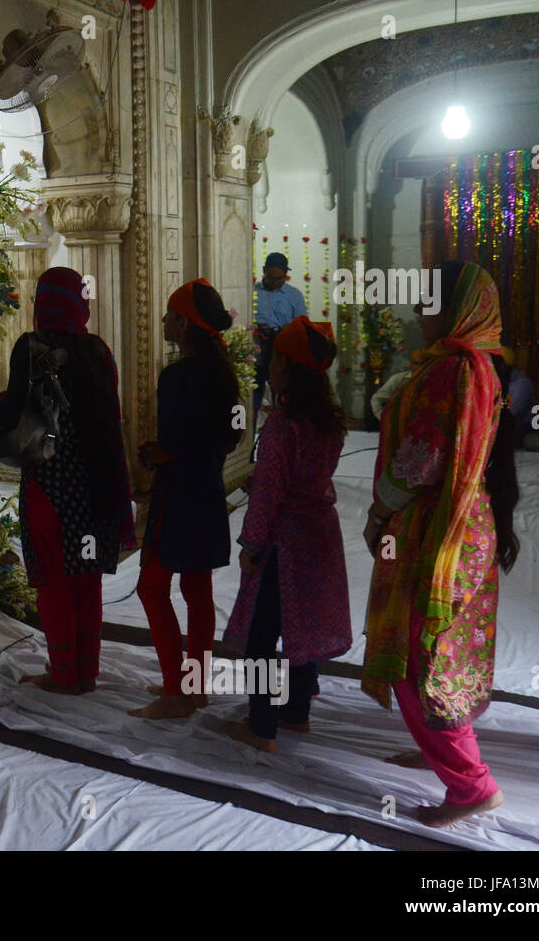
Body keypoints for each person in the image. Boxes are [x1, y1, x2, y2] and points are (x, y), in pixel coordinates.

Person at [362, 260, 518, 828]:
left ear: (456, 309)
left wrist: (380, 508)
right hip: (463, 523)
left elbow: (420, 459)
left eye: (431, 301)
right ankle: (440, 747)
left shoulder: (449, 370)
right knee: (443, 650)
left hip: (435, 529)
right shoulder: (478, 368)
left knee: (416, 656)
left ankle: (471, 784)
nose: (420, 311)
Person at [0, 267, 135, 694]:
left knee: (53, 580)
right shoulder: (98, 351)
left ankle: (63, 673)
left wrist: (1, 404)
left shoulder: (31, 348)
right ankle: (86, 672)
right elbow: (111, 421)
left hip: (50, 482)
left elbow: (14, 413)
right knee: (85, 578)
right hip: (94, 482)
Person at [221, 316, 351, 751]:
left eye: (276, 356)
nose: (269, 363)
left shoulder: (282, 424)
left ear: (289, 367)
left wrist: (251, 544)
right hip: (320, 535)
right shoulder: (329, 422)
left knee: (262, 634)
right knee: (303, 624)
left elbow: (271, 494)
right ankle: (296, 713)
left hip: (285, 542)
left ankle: (260, 726)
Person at [130, 278, 242, 720]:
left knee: (151, 587)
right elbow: (228, 436)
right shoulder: (222, 373)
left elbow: (177, 441)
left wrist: (161, 454)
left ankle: (176, 691)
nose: (163, 322)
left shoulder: (177, 376)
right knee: (197, 590)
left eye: (169, 315)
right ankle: (194, 687)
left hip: (178, 494)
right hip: (208, 492)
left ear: (183, 324)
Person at [250, 253, 308, 423]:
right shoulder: (253, 292)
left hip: (282, 353)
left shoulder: (294, 295)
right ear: (263, 272)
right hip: (258, 351)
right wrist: (256, 328)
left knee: (283, 400)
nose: (274, 283)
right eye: (270, 278)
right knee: (253, 398)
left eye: (279, 279)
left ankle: (282, 438)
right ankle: (248, 443)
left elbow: (301, 324)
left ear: (285, 275)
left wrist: (284, 331)